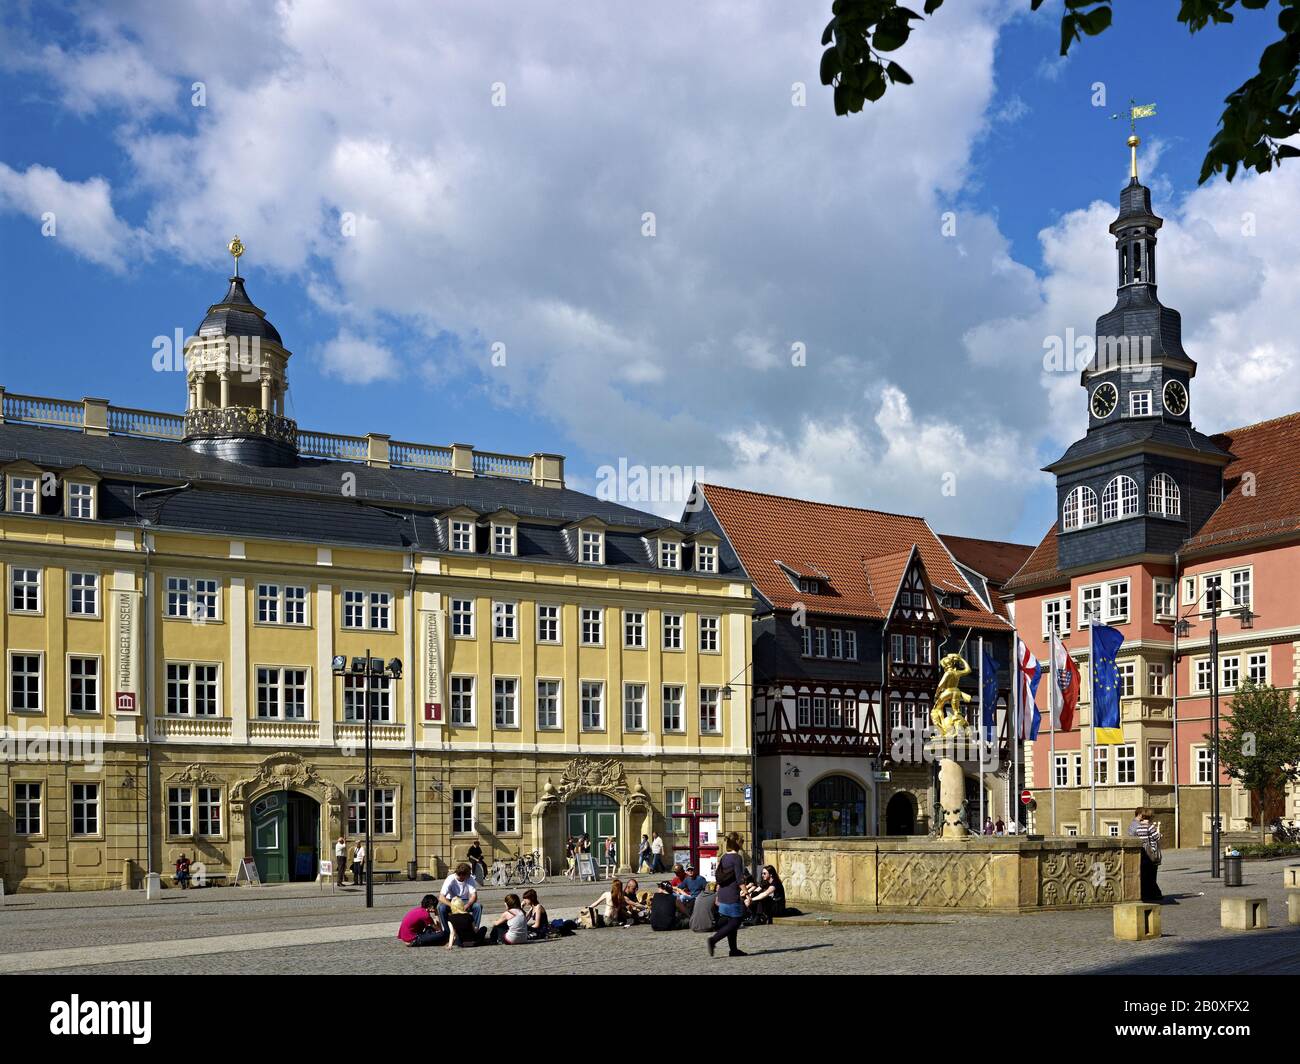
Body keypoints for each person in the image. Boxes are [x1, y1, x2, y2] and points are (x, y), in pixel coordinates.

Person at [707, 832, 748, 957]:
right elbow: (739, 878)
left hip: (723, 894)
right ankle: (713, 940)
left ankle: (733, 950)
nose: (743, 843)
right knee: (736, 921)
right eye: (741, 841)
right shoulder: (737, 858)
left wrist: (718, 895)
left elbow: (720, 878)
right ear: (736, 842)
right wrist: (747, 894)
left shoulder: (724, 857)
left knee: (731, 922)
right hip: (732, 894)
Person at [438, 862, 483, 930]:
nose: (469, 876)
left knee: (478, 907)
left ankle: (474, 930)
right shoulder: (450, 879)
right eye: (468, 875)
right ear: (462, 875)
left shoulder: (470, 878)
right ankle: (447, 931)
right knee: (441, 908)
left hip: (464, 901)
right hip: (452, 901)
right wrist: (453, 906)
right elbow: (441, 898)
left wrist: (467, 905)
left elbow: (474, 896)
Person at [1136, 811, 1164, 902]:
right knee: (1152, 874)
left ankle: (1145, 894)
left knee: (1144, 874)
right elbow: (1157, 837)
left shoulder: (1138, 827)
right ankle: (1153, 894)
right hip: (1151, 852)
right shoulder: (1150, 827)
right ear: (1149, 818)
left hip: (1143, 853)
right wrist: (1159, 834)